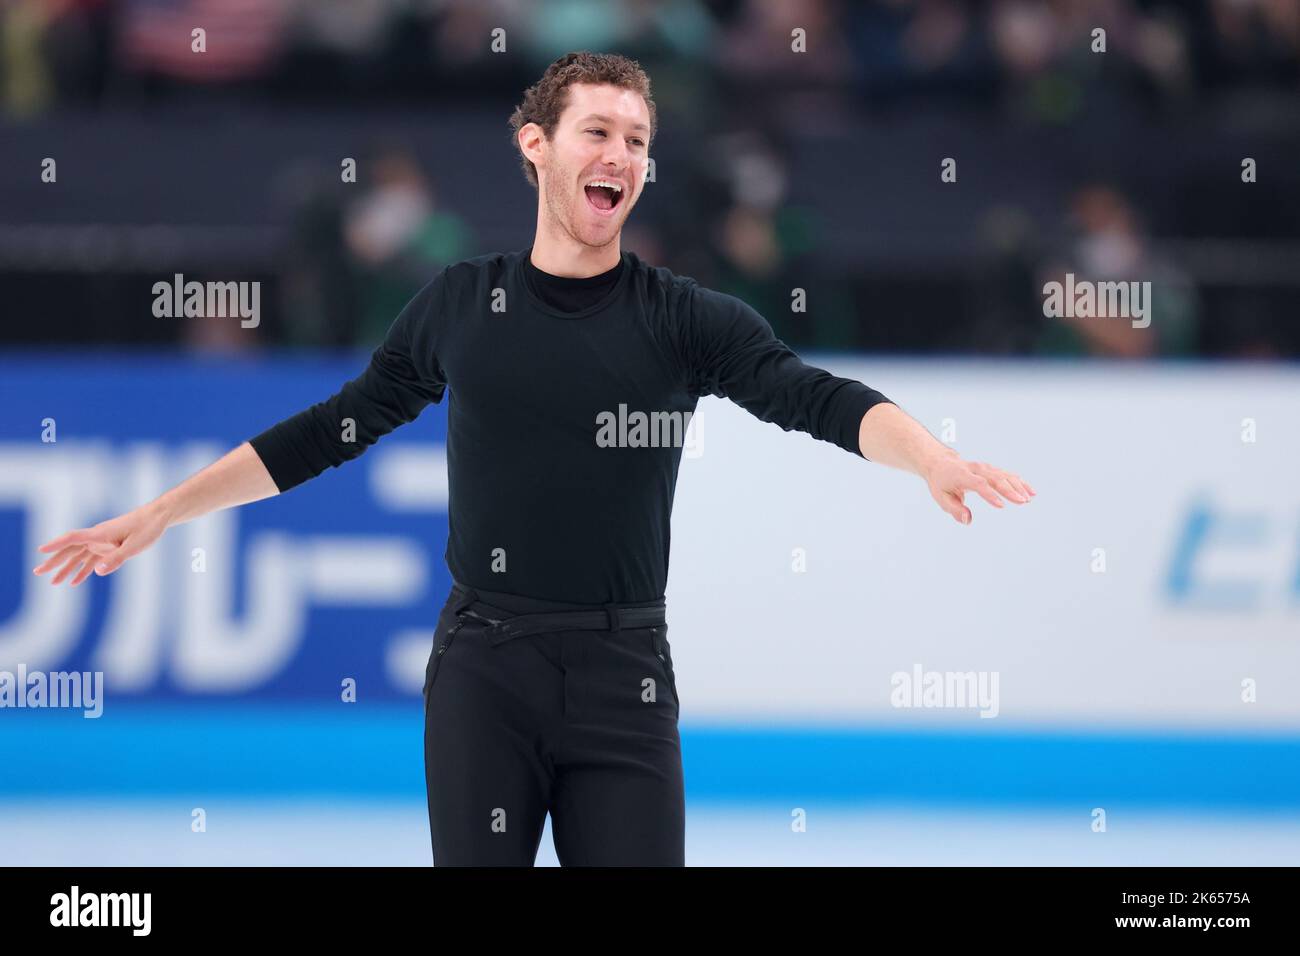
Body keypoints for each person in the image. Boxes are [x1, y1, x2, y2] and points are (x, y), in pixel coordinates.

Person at [33, 51, 1035, 866]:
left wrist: (926, 457)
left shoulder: (685, 320)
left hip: (624, 677)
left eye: (638, 141)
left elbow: (813, 396)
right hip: (483, 673)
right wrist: (166, 507)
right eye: (598, 131)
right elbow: (336, 428)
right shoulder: (463, 304)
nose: (621, 155)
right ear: (536, 146)